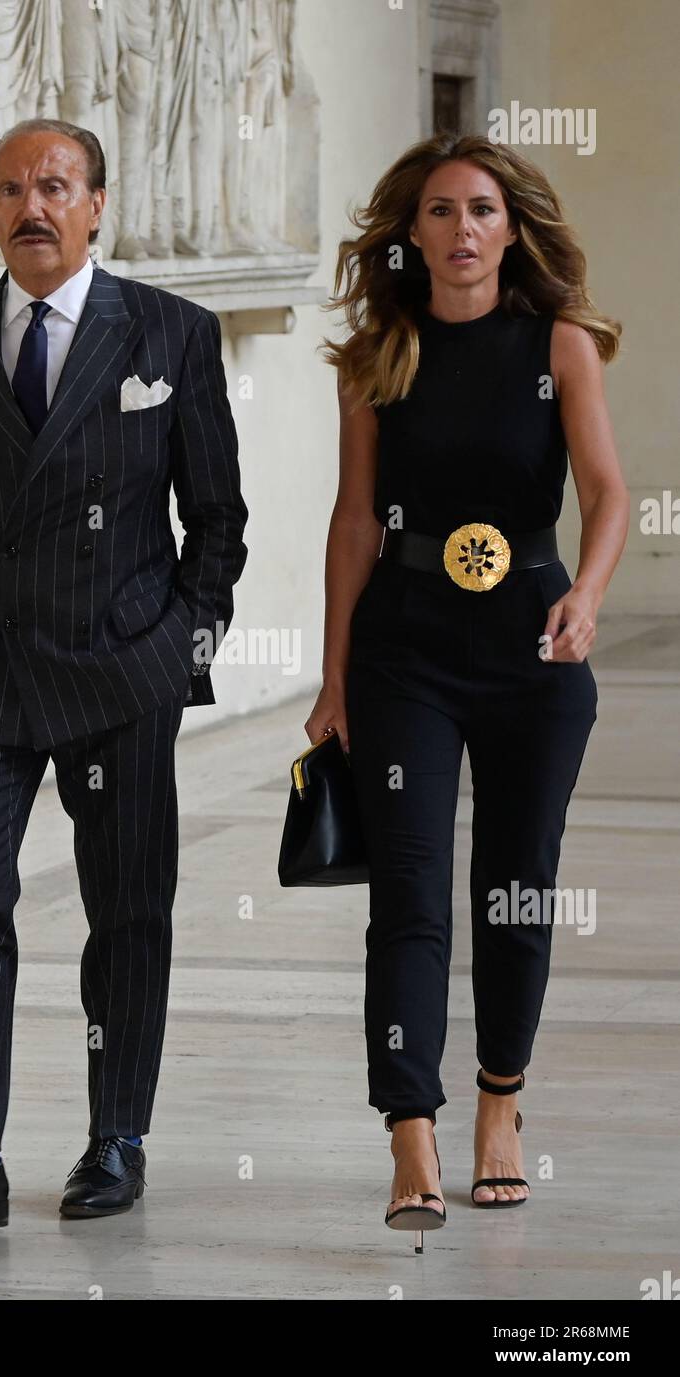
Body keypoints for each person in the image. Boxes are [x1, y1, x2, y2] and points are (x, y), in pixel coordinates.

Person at [0, 118, 248, 1228]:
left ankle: (115, 1140)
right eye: (9, 190)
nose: (31, 207)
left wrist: (178, 644)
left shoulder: (171, 332)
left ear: (98, 203)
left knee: (128, 910)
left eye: (55, 185)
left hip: (118, 664)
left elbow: (217, 517)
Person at [306, 133, 628, 1251]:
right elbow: (353, 522)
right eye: (438, 212)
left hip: (532, 644)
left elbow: (606, 493)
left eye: (479, 210)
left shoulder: (558, 342)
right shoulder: (376, 356)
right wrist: (334, 672)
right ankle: (409, 1128)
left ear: (509, 226)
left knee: (514, 885)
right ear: (411, 233)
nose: (460, 231)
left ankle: (499, 1099)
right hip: (404, 647)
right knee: (407, 892)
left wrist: (585, 596)